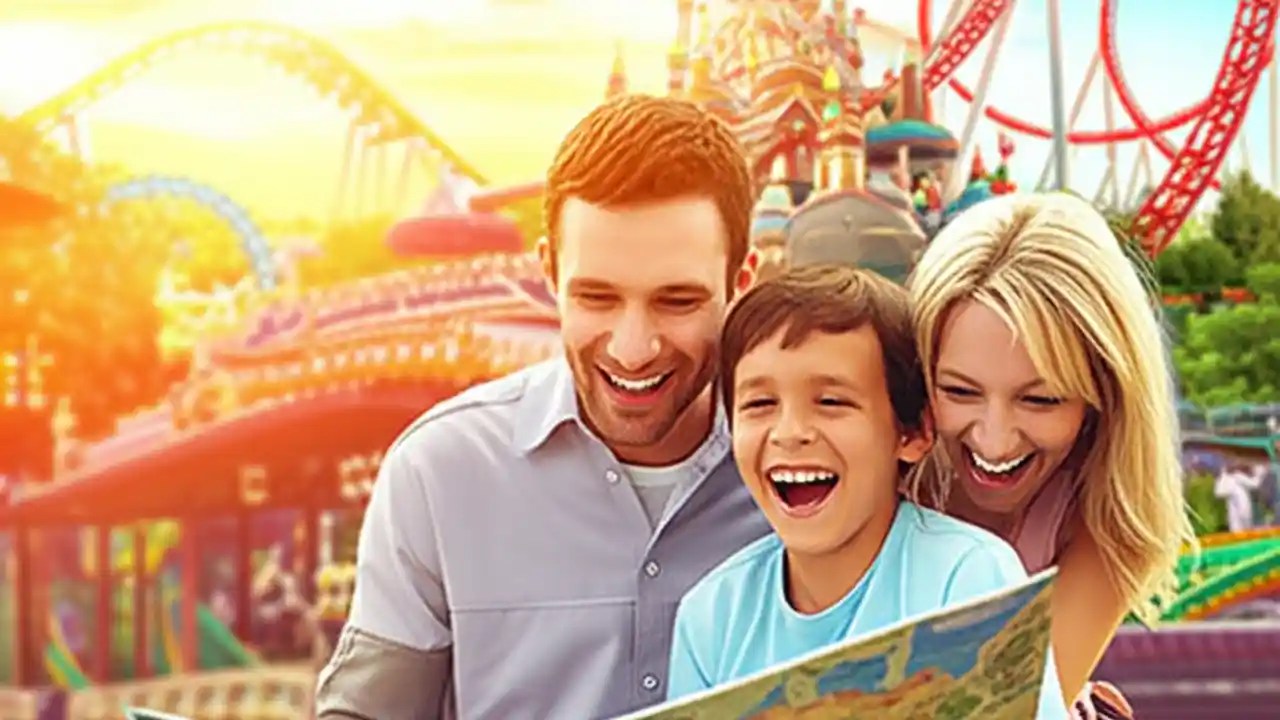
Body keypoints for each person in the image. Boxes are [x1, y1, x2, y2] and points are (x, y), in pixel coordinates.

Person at [314, 94, 772, 719]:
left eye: (677, 302)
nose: (633, 348)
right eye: (597, 298)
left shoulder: (809, 475)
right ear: (549, 273)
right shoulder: (440, 473)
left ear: (739, 283)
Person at [666, 264, 1067, 719]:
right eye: (760, 404)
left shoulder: (967, 579)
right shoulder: (711, 617)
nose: (790, 433)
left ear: (913, 433)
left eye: (831, 402)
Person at [905, 192, 1195, 710]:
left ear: (1102, 394)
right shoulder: (870, 469)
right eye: (959, 392)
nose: (995, 439)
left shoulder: (1107, 521)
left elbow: (1004, 709)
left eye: (1040, 400)